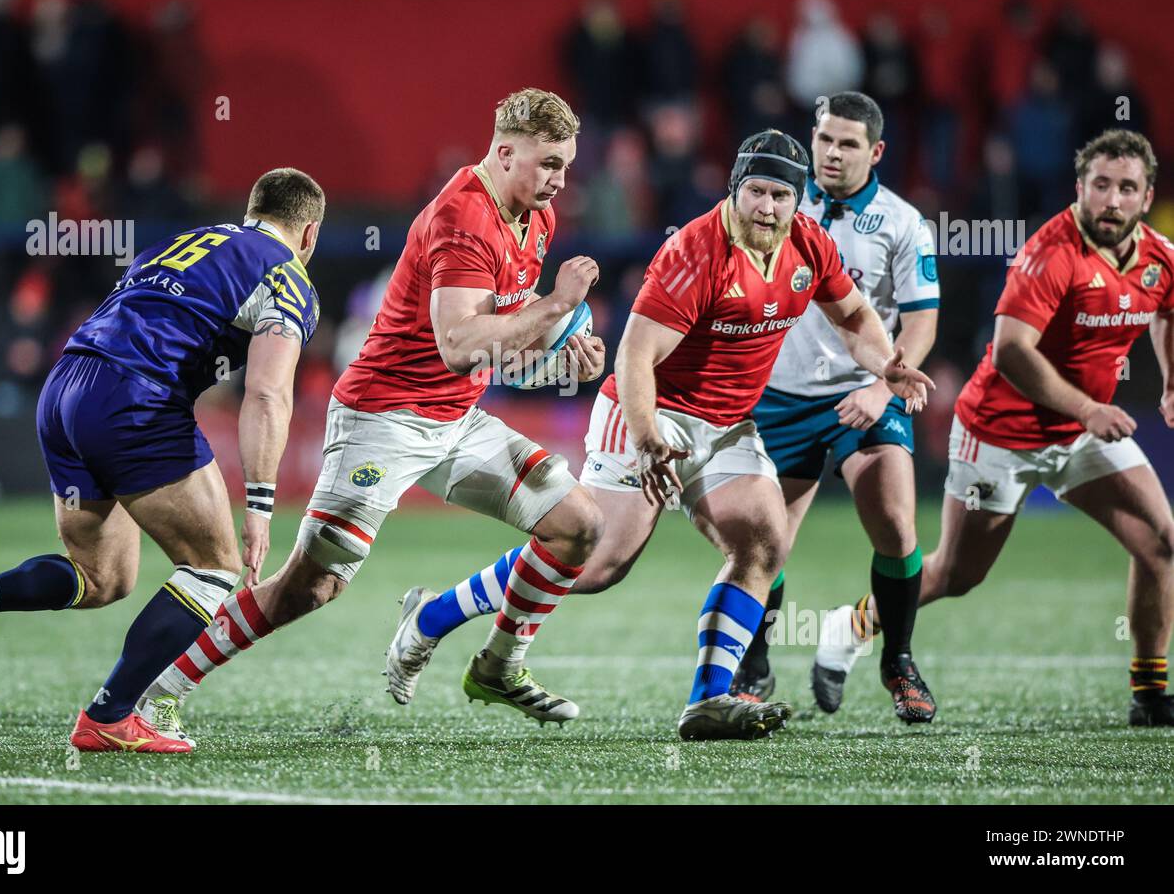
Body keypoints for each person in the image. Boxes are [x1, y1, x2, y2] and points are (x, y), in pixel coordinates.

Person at [391, 130, 935, 740]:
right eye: (755, 191)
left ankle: (709, 700)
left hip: (727, 425)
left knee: (763, 542)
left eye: (781, 195)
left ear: (798, 199)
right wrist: (649, 436)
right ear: (735, 189)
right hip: (649, 409)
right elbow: (634, 356)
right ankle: (434, 613)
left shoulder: (808, 243)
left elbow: (855, 315)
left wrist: (885, 363)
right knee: (596, 565)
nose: (767, 207)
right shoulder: (695, 252)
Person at [137, 88, 607, 740]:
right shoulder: (463, 216)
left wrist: (562, 361)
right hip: (383, 418)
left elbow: (496, 351)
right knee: (309, 588)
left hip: (455, 418)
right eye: (548, 163)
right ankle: (160, 688)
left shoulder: (536, 217)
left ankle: (496, 664)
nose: (559, 179)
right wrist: (557, 307)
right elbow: (457, 342)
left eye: (565, 165)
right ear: (503, 152)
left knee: (578, 526)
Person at [0, 168, 325, 753]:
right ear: (309, 236)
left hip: (65, 387)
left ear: (252, 211)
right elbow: (268, 393)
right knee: (214, 568)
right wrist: (260, 504)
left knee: (101, 578)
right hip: (134, 397)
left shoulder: (182, 243)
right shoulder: (286, 275)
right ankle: (110, 714)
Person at [816, 129, 1174, 727]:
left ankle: (1150, 692)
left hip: (1083, 434)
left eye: (1127, 188)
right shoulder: (1051, 252)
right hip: (1000, 434)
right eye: (1101, 185)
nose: (1112, 199)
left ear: (1146, 195)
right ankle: (850, 623)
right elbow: (1011, 352)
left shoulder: (1160, 254)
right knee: (955, 575)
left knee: (1161, 541)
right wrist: (1087, 409)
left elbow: (1166, 307)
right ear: (1079, 189)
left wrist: (1170, 381)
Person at [732, 92, 941, 724]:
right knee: (763, 546)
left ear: (875, 152)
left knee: (898, 527)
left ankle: (896, 659)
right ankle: (756, 662)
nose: (831, 152)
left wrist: (883, 385)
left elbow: (922, 323)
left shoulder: (905, 223)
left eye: (848, 143)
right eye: (824, 139)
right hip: (778, 399)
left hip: (863, 394)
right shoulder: (775, 208)